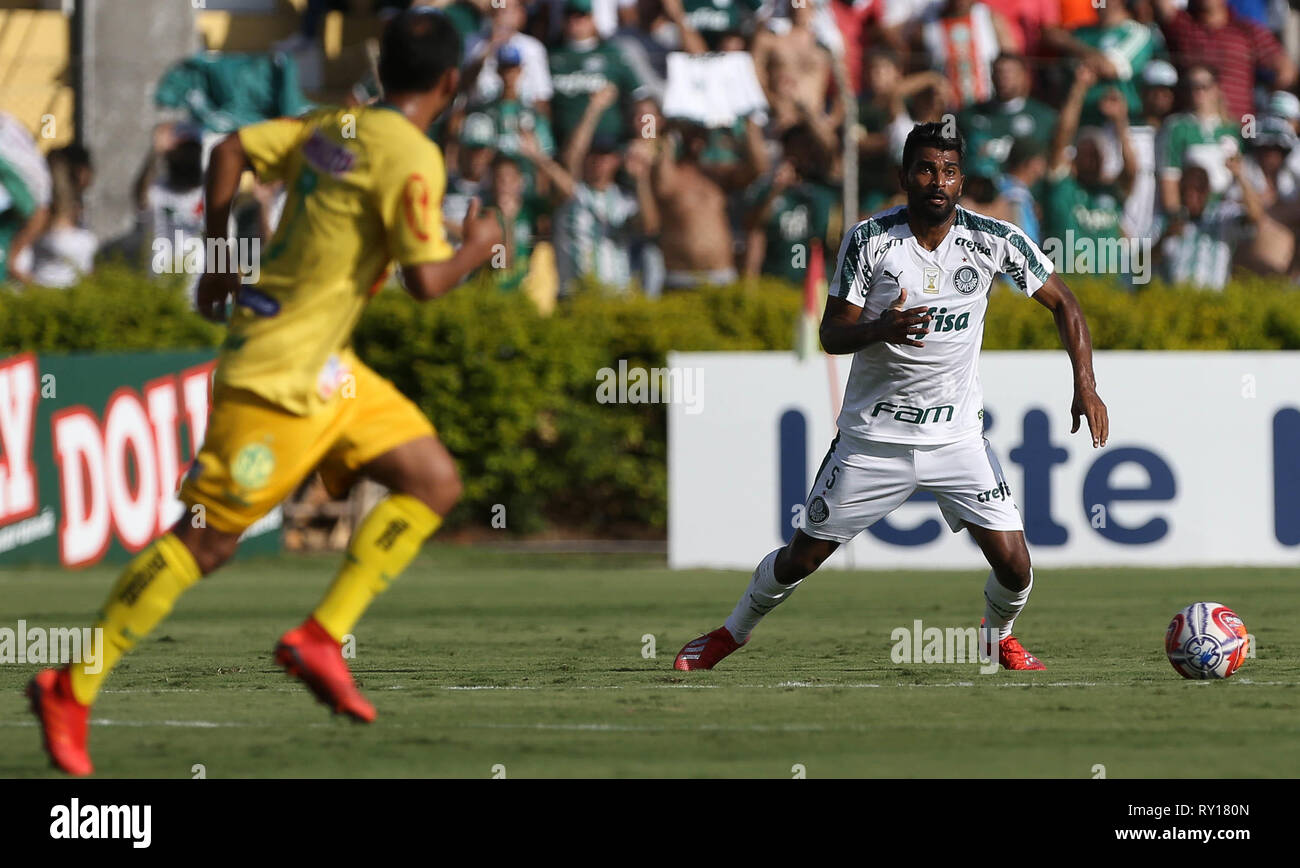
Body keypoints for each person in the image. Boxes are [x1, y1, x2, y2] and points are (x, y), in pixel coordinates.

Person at [26, 8, 504, 778]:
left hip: (329, 370)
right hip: (278, 375)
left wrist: (219, 255)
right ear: (450, 84)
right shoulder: (413, 157)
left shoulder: (335, 128)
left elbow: (233, 147)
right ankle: (69, 685)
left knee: (432, 479)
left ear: (383, 72)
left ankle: (321, 636)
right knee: (205, 542)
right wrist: (477, 248)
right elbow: (425, 284)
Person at [674, 122, 1109, 673]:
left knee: (1016, 567)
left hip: (955, 439)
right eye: (926, 169)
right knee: (800, 559)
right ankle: (730, 634)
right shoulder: (869, 240)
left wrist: (1086, 386)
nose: (938, 181)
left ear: (961, 179)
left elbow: (1065, 303)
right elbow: (831, 335)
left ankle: (996, 637)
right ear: (905, 176)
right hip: (874, 439)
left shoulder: (994, 239)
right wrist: (883, 327)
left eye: (949, 171)